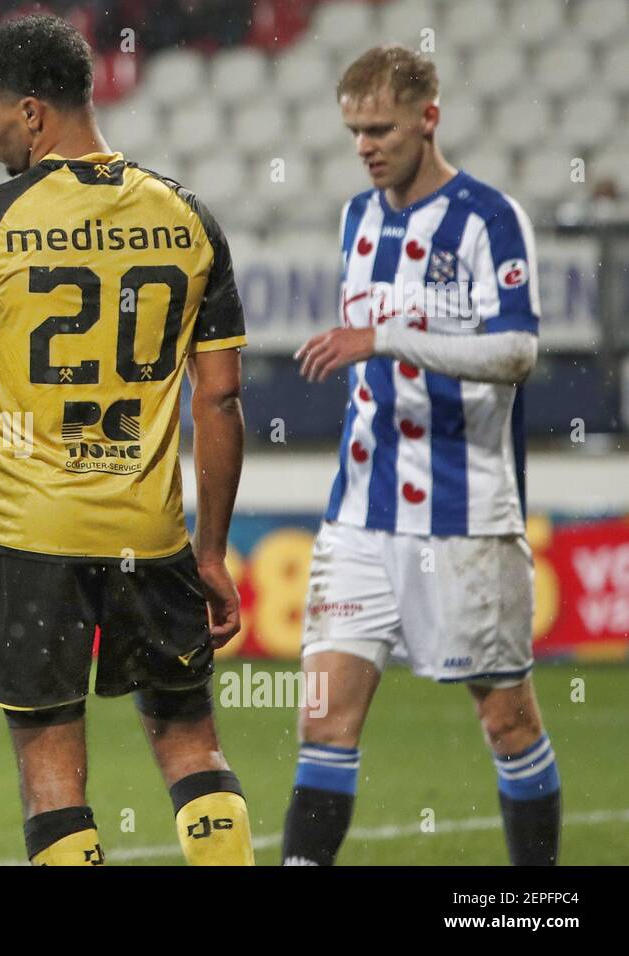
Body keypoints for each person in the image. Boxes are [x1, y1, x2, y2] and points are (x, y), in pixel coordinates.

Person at [0, 14, 253, 866]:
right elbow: (221, 402)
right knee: (189, 742)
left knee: (50, 770)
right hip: (152, 537)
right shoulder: (187, 216)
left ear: (31, 113)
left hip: (32, 536)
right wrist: (210, 551)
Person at [286, 45, 557, 866]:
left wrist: (389, 336)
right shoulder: (355, 219)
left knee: (506, 721)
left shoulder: (488, 219)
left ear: (428, 118)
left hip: (466, 511)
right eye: (354, 132)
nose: (366, 146)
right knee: (324, 719)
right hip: (360, 513)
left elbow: (516, 351)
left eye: (381, 129)